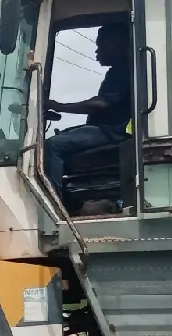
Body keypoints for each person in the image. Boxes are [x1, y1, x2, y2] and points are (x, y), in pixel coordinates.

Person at [44, 24, 133, 208]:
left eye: (101, 45)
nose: (97, 50)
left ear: (117, 43)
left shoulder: (124, 70)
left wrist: (59, 106)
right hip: (106, 130)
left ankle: (53, 207)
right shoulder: (117, 71)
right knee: (62, 137)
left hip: (112, 132)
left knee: (53, 146)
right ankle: (72, 200)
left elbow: (101, 104)